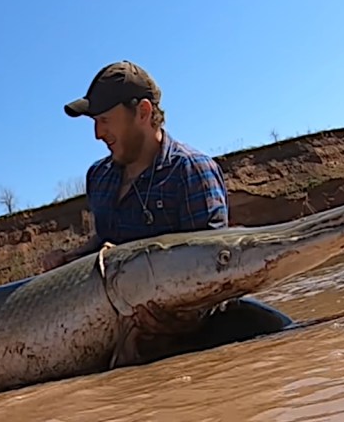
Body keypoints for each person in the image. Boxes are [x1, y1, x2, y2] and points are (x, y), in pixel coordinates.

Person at [43, 60, 229, 272]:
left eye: (105, 119)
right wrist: (69, 258)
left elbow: (211, 269)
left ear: (143, 112)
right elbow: (104, 241)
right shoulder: (99, 177)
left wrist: (126, 262)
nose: (97, 134)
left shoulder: (191, 171)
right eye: (94, 121)